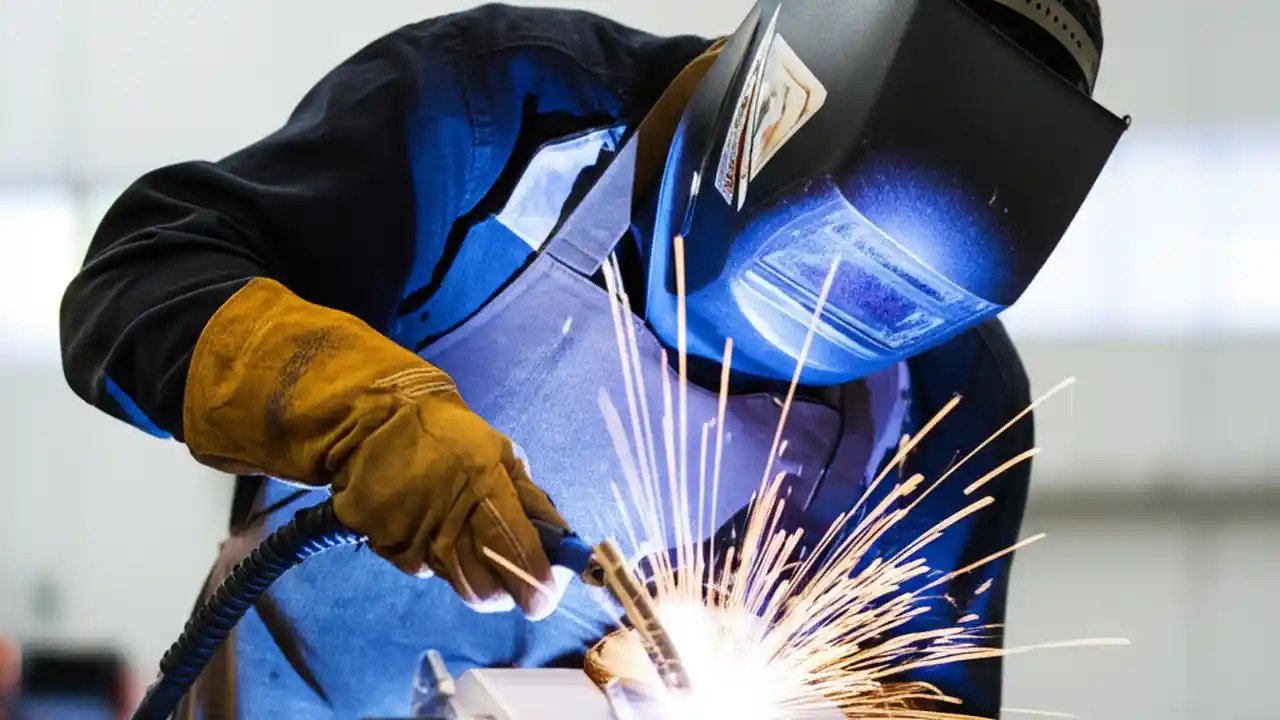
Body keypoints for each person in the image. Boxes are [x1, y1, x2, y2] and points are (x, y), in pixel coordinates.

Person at [59, 0, 1123, 716]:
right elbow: (136, 284)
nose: (827, 325)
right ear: (780, 95)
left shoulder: (954, 395)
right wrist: (366, 412)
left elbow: (909, 700)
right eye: (817, 250)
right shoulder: (498, 120)